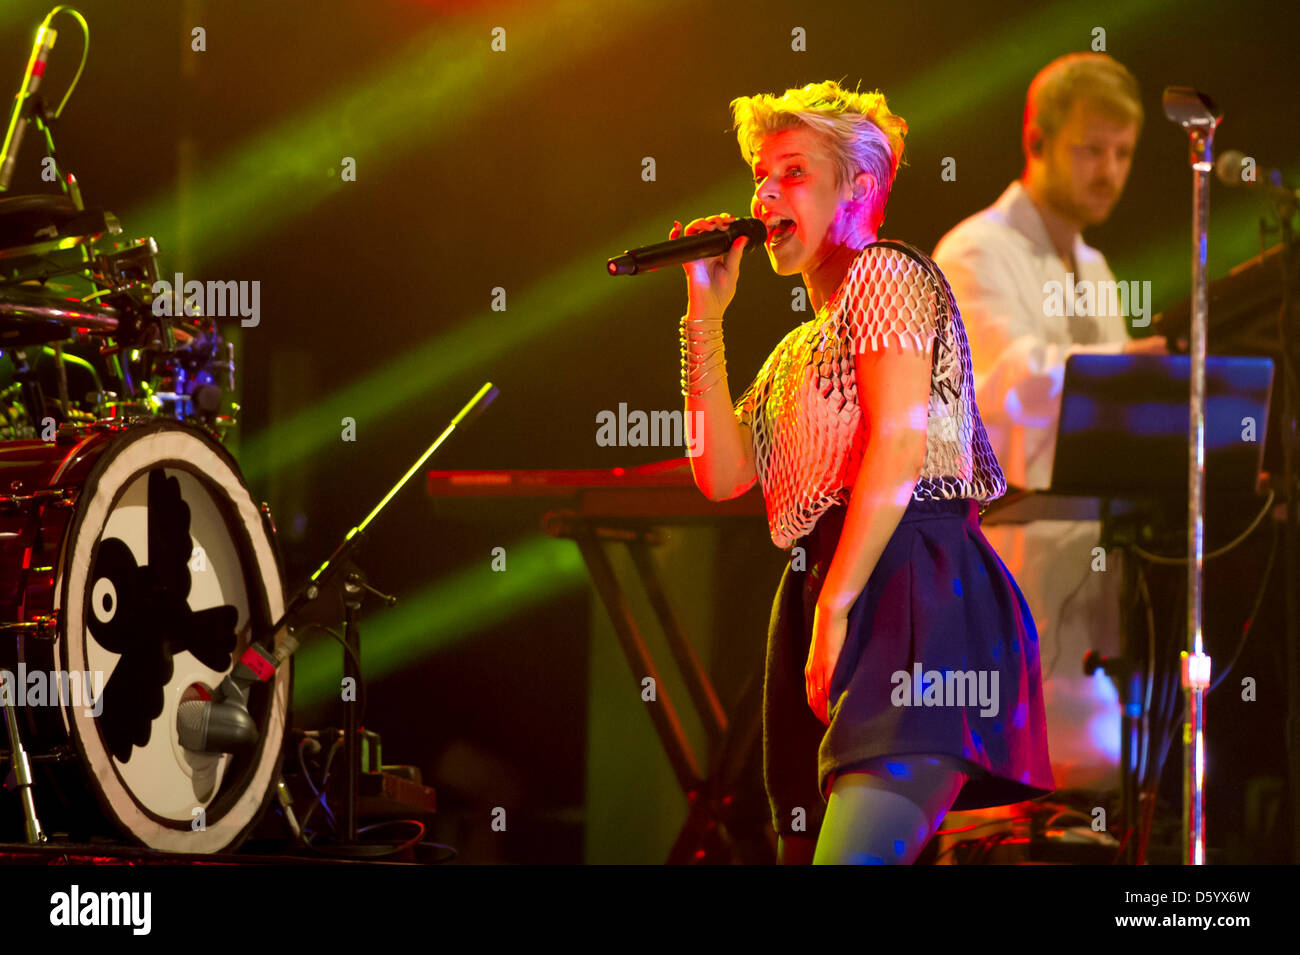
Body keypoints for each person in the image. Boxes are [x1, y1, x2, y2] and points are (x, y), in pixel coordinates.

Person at [672, 80, 1054, 865]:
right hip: (834, 592)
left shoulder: (886, 275)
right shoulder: (794, 354)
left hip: (910, 588)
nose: (766, 193)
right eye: (760, 176)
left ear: (861, 186)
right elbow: (720, 473)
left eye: (794, 173)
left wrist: (837, 607)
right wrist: (704, 314)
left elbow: (900, 445)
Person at [932, 53, 1168, 796]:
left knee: (1090, 802)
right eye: (1090, 149)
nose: (1109, 171)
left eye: (1123, 153)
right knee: (1008, 804)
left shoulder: (1095, 266)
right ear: (1037, 140)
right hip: (1009, 569)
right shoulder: (975, 250)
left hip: (1091, 589)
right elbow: (1009, 387)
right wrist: (1133, 368)